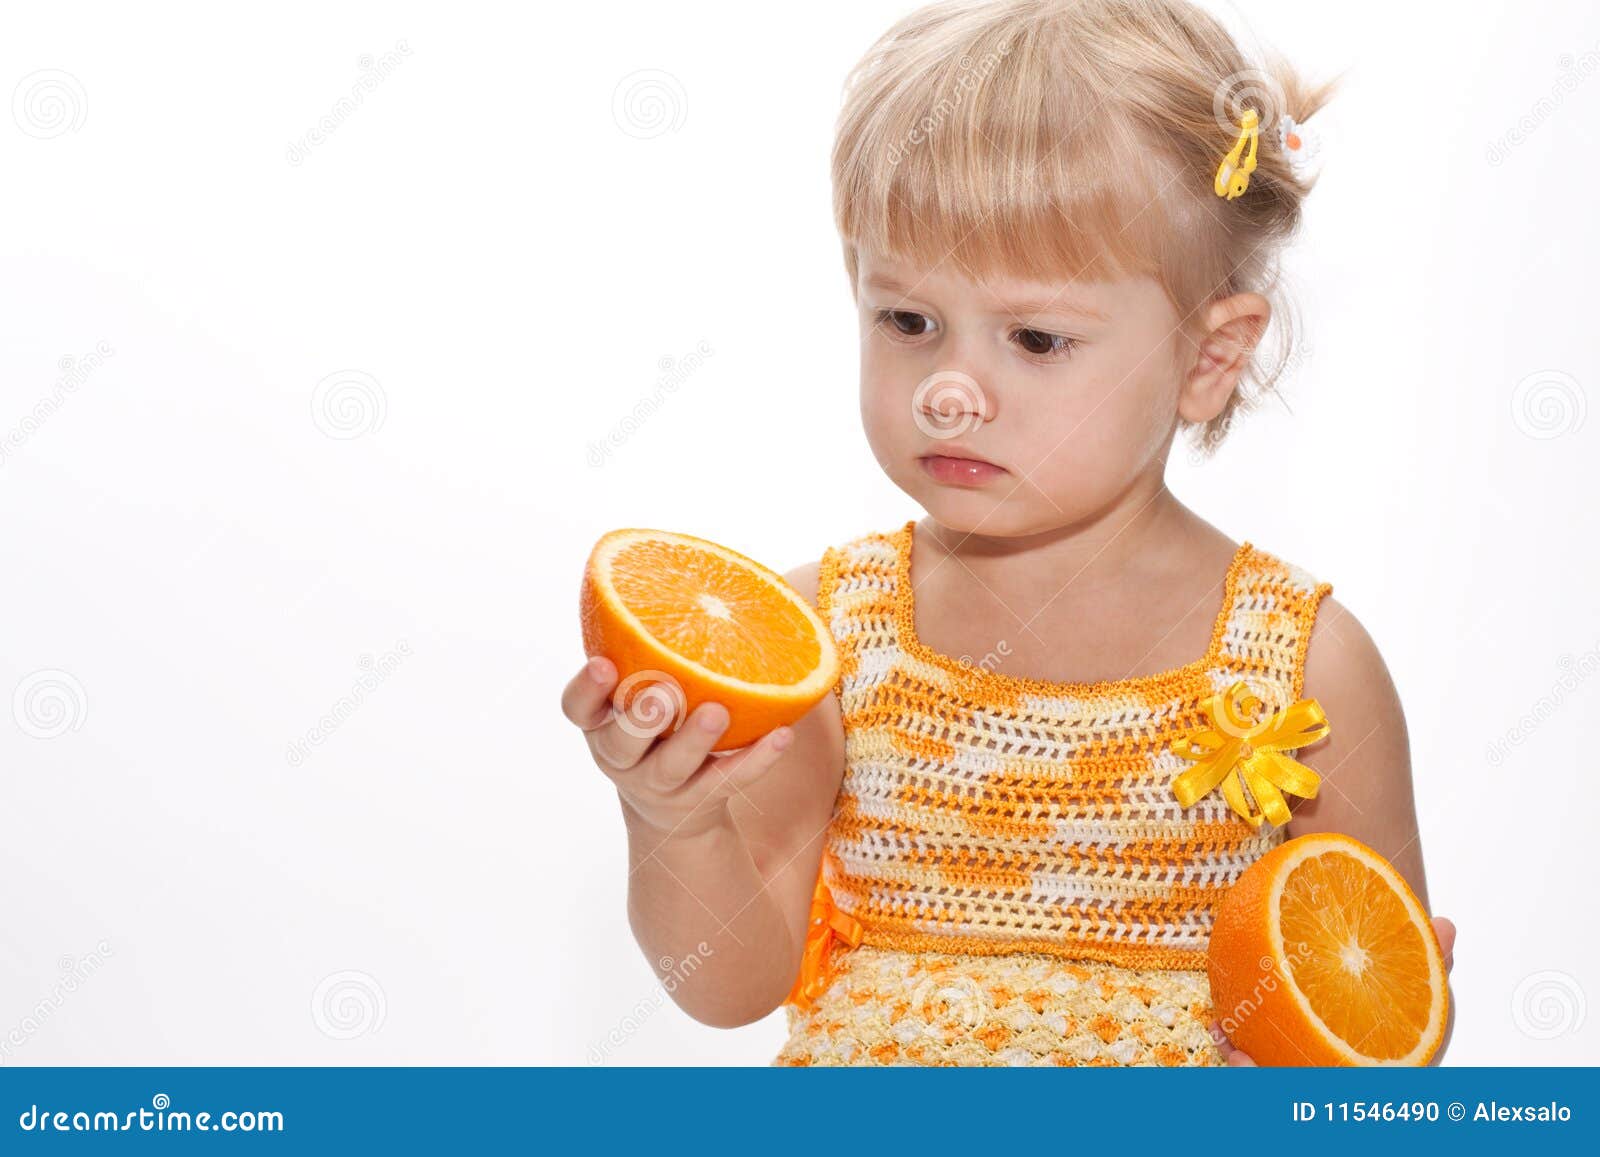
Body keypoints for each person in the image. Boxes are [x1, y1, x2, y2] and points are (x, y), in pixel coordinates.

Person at [564, 0, 1456, 1065]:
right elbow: (728, 983)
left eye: (1034, 337)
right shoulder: (821, 639)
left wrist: (1388, 1021)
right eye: (906, 320)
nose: (947, 391)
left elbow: (1369, 1023)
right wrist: (672, 819)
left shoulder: (1302, 663)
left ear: (1207, 358)